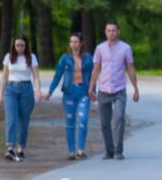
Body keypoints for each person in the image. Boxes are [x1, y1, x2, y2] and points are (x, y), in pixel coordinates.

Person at [89, 21, 138, 160]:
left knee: (119, 118)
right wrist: (91, 88)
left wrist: (136, 88)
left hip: (119, 90)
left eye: (114, 30)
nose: (111, 33)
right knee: (105, 123)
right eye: (109, 30)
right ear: (105, 32)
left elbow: (130, 68)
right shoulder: (100, 48)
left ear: (118, 32)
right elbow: (96, 69)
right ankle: (109, 150)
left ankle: (118, 150)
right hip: (103, 90)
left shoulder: (125, 48)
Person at [46, 33, 94, 160]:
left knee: (83, 121)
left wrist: (93, 90)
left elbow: (93, 76)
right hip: (69, 94)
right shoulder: (65, 58)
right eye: (71, 42)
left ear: (81, 43)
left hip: (84, 93)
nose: (73, 44)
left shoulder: (88, 58)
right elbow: (57, 76)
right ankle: (71, 151)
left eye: (76, 42)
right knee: (70, 122)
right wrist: (50, 91)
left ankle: (81, 150)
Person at [0, 34, 43, 162]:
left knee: (23, 120)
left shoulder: (32, 58)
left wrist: (38, 91)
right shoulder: (9, 57)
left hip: (26, 90)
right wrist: (0, 93)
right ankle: (10, 147)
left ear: (26, 46)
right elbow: (4, 77)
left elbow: (36, 77)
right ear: (14, 45)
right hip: (11, 90)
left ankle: (21, 148)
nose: (20, 48)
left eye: (22, 45)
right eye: (17, 45)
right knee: (11, 117)